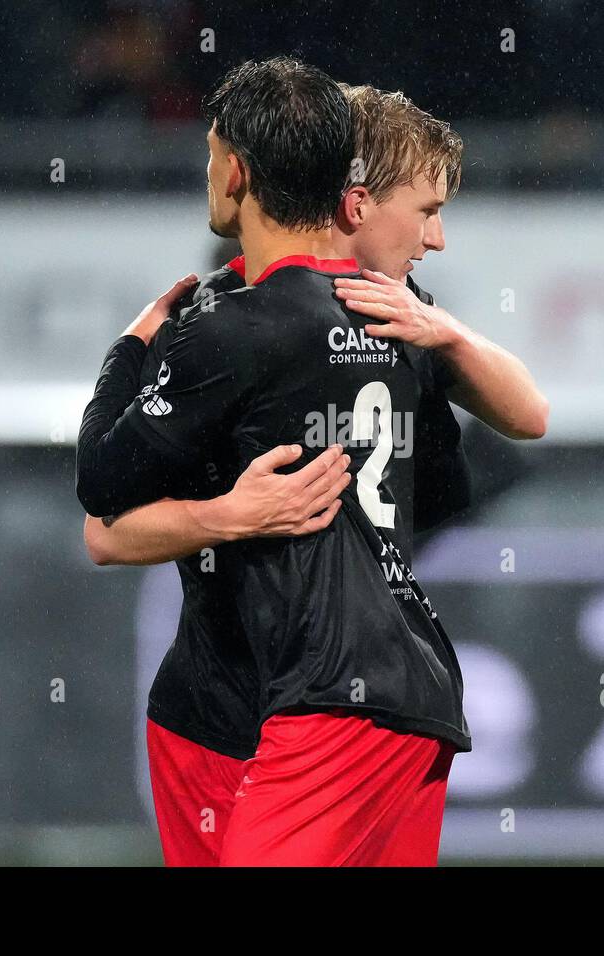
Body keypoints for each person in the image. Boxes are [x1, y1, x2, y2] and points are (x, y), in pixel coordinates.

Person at [78, 64, 546, 864]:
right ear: (351, 202)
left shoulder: (341, 320)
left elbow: (101, 501)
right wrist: (231, 516)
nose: (435, 238)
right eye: (427, 212)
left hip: (335, 691)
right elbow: (105, 533)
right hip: (225, 699)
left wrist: (131, 350)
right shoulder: (274, 318)